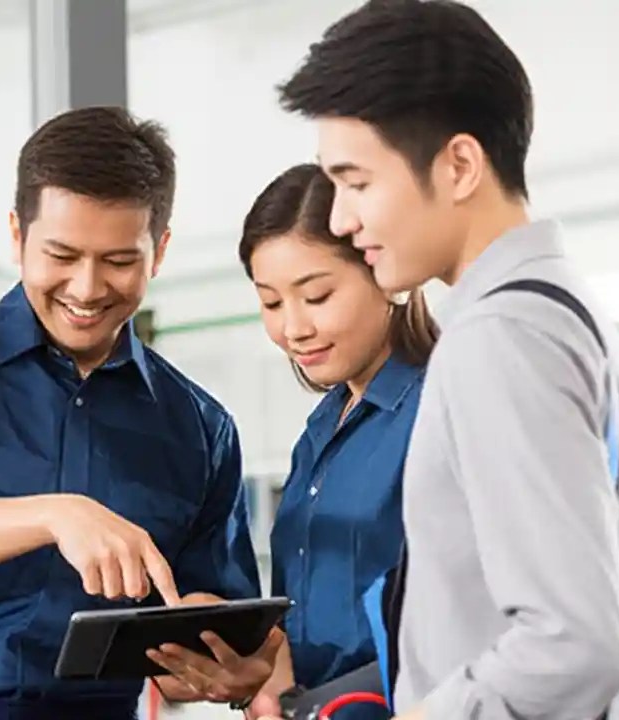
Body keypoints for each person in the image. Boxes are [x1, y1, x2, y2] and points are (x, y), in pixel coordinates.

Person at [275, 1, 619, 719]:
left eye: (356, 182)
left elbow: (576, 643)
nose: (339, 219)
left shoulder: (502, 336)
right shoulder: (565, 311)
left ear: (458, 165)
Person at [0, 106, 268, 720]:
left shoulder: (201, 426)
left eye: (119, 261)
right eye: (61, 255)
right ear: (17, 236)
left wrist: (225, 664)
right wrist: (54, 516)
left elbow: (200, 611)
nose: (87, 288)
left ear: (160, 250)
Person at [146, 164, 438, 719]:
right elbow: (302, 629)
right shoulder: (317, 436)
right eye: (272, 303)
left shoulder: (443, 411)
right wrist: (250, 660)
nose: (293, 328)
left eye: (317, 296)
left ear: (388, 272)